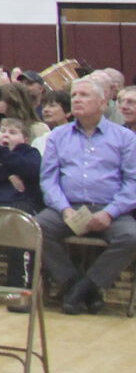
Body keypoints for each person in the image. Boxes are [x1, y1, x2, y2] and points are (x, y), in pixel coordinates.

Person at [35, 76, 136, 315]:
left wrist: (109, 212)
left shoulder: (125, 138)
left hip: (110, 209)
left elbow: (133, 182)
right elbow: (49, 180)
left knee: (131, 236)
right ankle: (74, 283)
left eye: (84, 95)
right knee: (38, 227)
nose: (77, 100)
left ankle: (88, 285)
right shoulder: (58, 136)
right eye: (74, 96)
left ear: (103, 103)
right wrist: (64, 208)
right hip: (68, 208)